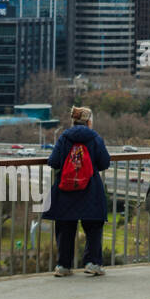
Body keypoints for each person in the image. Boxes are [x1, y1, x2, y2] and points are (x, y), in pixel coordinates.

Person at [44, 106, 112, 277]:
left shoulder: (64, 137)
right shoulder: (95, 138)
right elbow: (104, 163)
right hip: (90, 189)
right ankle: (92, 263)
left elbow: (53, 161)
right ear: (89, 122)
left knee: (66, 227)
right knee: (94, 226)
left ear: (73, 121)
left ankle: (63, 265)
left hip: (66, 189)